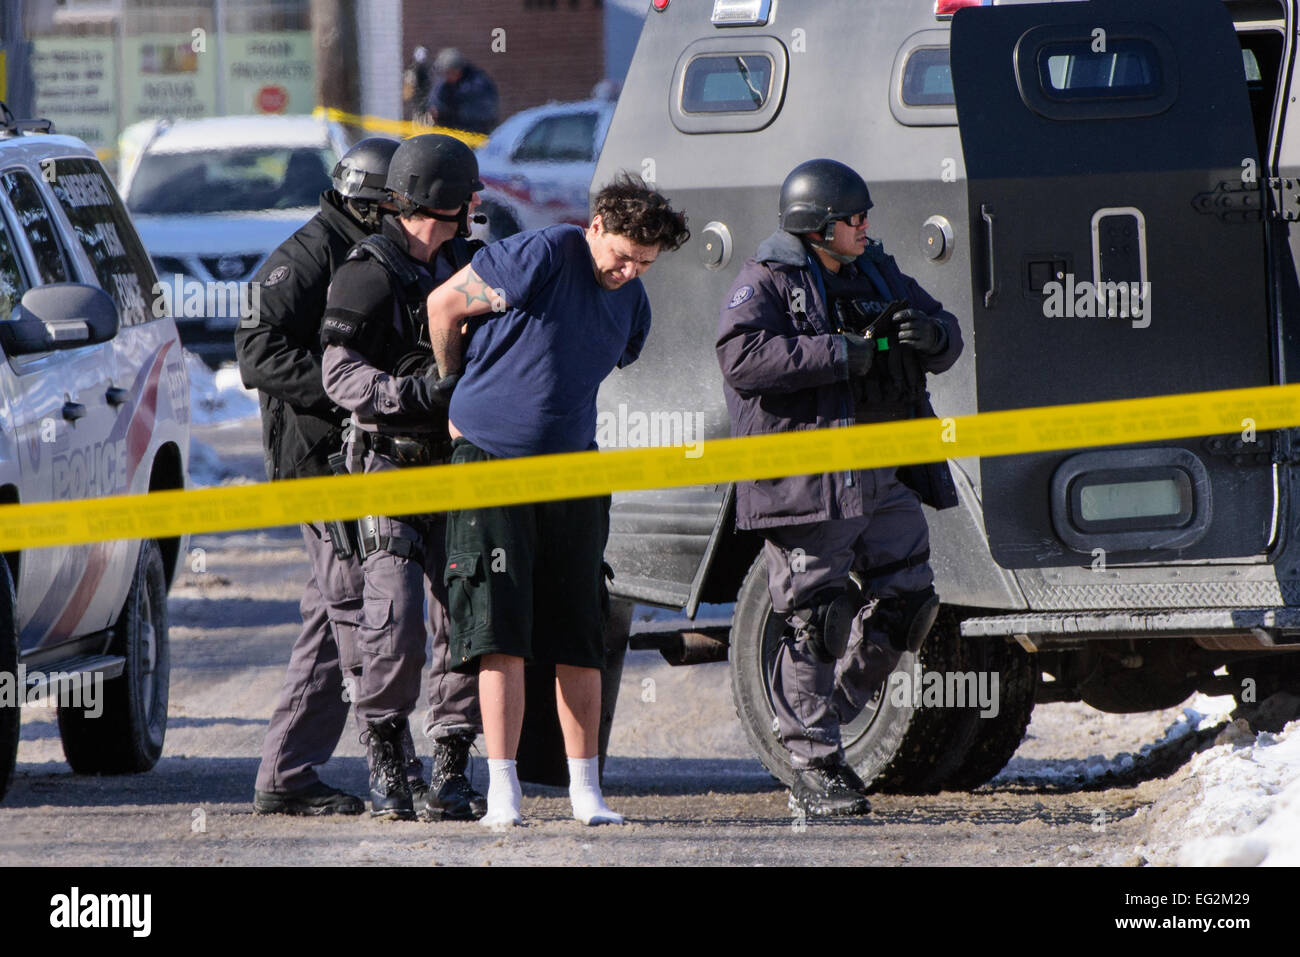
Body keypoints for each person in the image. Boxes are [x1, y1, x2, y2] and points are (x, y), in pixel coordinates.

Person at [425, 173, 689, 827]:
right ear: (595, 226)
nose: (629, 271)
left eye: (645, 263)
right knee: (498, 628)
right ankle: (503, 792)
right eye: (623, 255)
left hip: (571, 475)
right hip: (489, 462)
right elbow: (442, 306)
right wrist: (453, 394)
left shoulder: (634, 303)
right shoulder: (545, 253)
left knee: (579, 633)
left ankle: (585, 792)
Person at [715, 158, 963, 817]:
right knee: (814, 621)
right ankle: (814, 763)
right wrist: (838, 351)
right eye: (853, 218)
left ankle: (837, 709)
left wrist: (934, 335)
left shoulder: (877, 271)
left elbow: (947, 333)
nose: (865, 226)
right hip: (809, 481)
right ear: (817, 227)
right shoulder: (766, 280)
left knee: (909, 602)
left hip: (880, 471)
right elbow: (741, 358)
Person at [241, 137, 433, 816]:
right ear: (373, 201)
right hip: (318, 461)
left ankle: (287, 771)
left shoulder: (384, 255)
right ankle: (395, 761)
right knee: (358, 604)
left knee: (330, 614)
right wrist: (347, 390)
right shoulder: (312, 253)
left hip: (350, 456)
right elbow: (255, 351)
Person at [319, 133, 487, 821]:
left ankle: (451, 765)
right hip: (389, 463)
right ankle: (390, 761)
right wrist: (411, 395)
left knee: (463, 620)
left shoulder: (462, 262)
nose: (475, 211)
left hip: (453, 468)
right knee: (394, 623)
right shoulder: (368, 270)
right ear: (439, 202)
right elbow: (339, 374)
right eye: (465, 200)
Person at [424, 48, 499, 134]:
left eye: (448, 73)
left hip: (475, 134)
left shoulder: (479, 84)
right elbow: (434, 99)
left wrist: (447, 112)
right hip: (449, 132)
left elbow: (482, 114)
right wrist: (434, 108)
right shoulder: (444, 82)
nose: (445, 77)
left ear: (457, 70)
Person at [402, 46, 431, 121]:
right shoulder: (412, 72)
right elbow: (407, 92)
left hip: (423, 104)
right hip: (417, 104)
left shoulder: (427, 70)